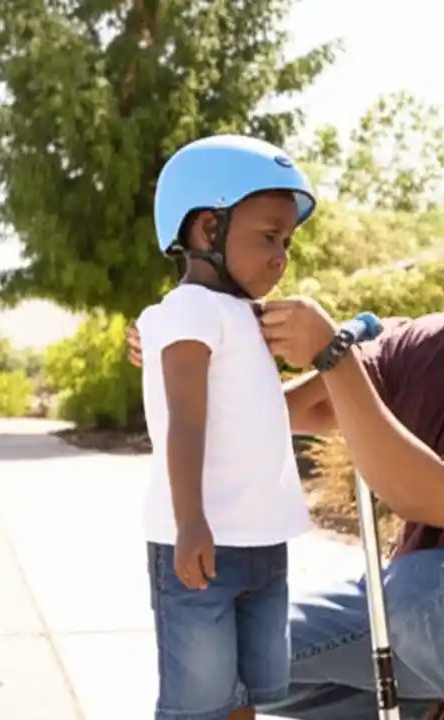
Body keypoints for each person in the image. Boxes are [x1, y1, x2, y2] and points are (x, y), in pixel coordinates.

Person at [130, 243, 444, 719]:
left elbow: (423, 494)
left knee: (423, 590)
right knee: (232, 651)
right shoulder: (437, 344)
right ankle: (419, 710)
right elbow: (312, 406)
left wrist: (333, 355)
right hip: (404, 605)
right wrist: (184, 349)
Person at [133, 133, 321, 720]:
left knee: (243, 697)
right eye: (269, 237)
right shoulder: (189, 310)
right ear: (208, 231)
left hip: (262, 542)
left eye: (287, 241)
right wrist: (191, 522)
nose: (281, 256)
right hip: (201, 544)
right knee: (199, 706)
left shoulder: (245, 316)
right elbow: (185, 422)